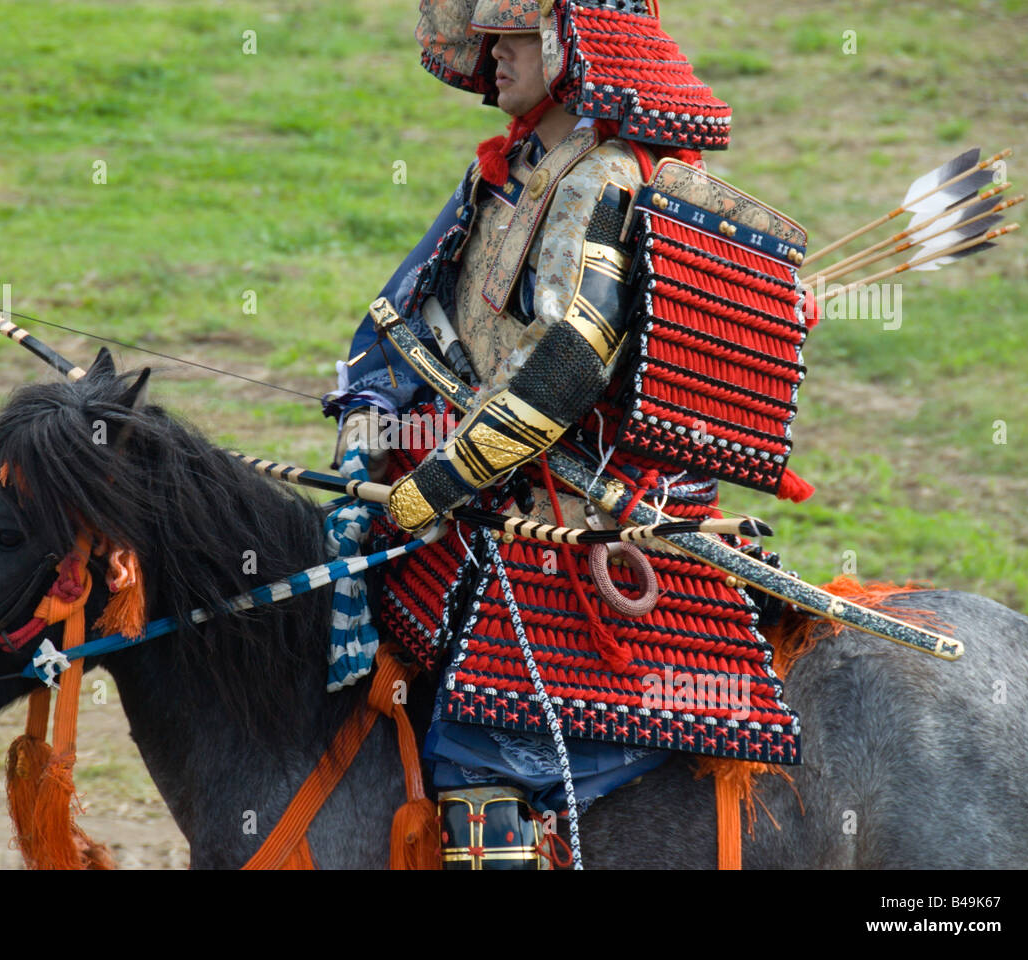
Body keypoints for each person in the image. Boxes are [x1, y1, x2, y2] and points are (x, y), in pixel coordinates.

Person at [323, 0, 811, 870]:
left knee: (482, 758)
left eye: (512, 37)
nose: (491, 53)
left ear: (569, 44)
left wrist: (431, 485)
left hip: (579, 518)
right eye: (488, 35)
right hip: (492, 495)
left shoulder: (603, 178)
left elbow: (565, 370)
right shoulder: (515, 166)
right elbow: (429, 320)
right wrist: (376, 425)